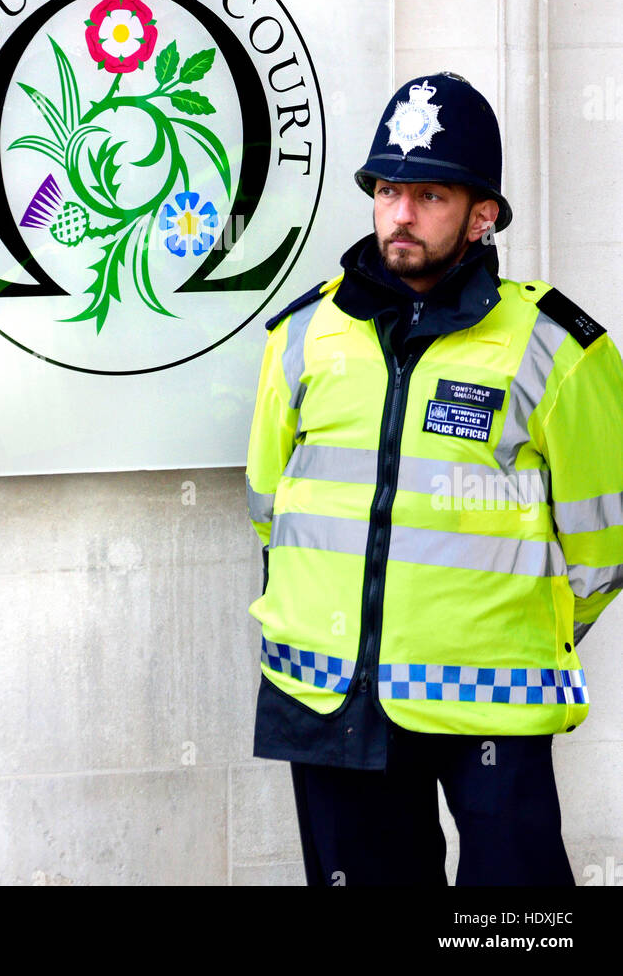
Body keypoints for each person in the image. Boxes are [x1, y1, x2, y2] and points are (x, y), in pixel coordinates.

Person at [245, 71, 623, 887]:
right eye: (388, 189)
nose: (401, 214)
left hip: (491, 696)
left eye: (430, 195)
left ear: (483, 214)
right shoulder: (304, 332)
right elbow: (272, 508)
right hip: (328, 691)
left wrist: (517, 630)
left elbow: (604, 546)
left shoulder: (557, 346)